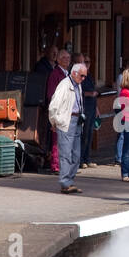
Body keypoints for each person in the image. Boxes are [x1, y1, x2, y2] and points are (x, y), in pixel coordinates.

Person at [48, 62, 87, 194]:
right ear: (74, 73)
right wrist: (55, 122)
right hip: (67, 120)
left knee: (76, 154)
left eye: (85, 76)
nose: (83, 79)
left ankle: (69, 181)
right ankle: (65, 183)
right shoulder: (64, 85)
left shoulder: (78, 85)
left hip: (77, 121)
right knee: (65, 154)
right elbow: (53, 106)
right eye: (82, 76)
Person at [45, 49, 71, 173]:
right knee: (57, 140)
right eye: (64, 58)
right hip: (59, 112)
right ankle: (56, 165)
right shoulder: (55, 74)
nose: (67, 60)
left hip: (68, 112)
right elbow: (51, 95)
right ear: (59, 60)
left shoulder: (68, 74)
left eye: (68, 57)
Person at [77, 53, 99, 168]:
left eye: (88, 62)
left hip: (92, 107)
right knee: (83, 134)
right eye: (85, 62)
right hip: (84, 108)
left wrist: (97, 109)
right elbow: (78, 93)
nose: (87, 64)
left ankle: (87, 158)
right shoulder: (79, 77)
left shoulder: (89, 76)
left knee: (90, 134)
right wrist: (90, 94)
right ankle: (80, 160)